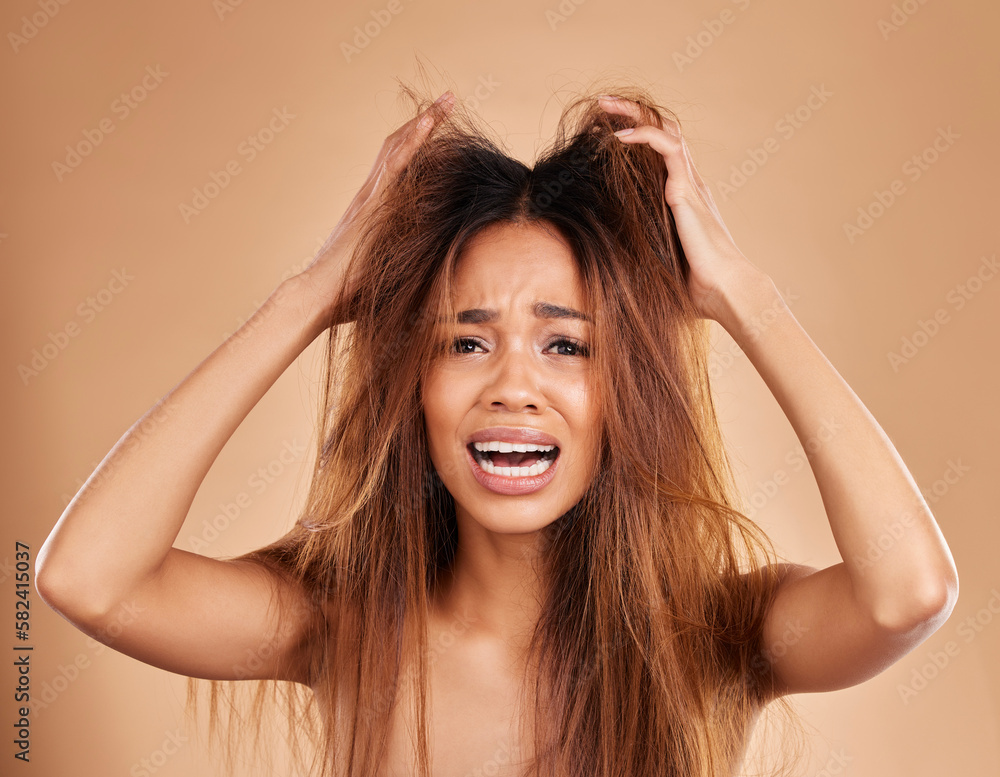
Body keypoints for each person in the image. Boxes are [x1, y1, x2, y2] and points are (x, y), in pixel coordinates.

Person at [36, 81, 959, 777]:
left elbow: (906, 593)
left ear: (624, 391)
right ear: (415, 387)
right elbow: (88, 577)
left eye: (568, 345)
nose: (515, 386)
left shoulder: (716, 632)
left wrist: (743, 298)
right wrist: (310, 295)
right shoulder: (344, 621)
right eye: (466, 340)